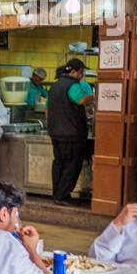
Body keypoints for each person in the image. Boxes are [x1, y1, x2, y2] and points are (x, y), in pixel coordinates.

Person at [46, 58, 94, 205]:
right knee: (72, 165)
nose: (82, 75)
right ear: (73, 71)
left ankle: (57, 194)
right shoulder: (72, 85)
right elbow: (81, 100)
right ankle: (62, 196)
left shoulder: (54, 85)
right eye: (81, 72)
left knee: (59, 163)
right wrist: (98, 95)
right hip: (71, 133)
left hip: (56, 132)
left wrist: (51, 126)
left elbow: (47, 109)